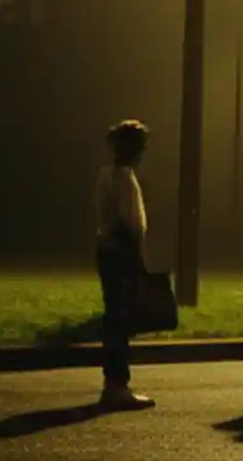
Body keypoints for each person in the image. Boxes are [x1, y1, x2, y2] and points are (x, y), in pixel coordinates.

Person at [94, 119, 157, 410]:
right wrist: (139, 259)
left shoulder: (107, 175)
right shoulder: (123, 178)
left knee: (115, 317)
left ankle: (115, 383)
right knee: (121, 319)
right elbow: (130, 221)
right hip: (121, 251)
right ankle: (117, 385)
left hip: (107, 250)